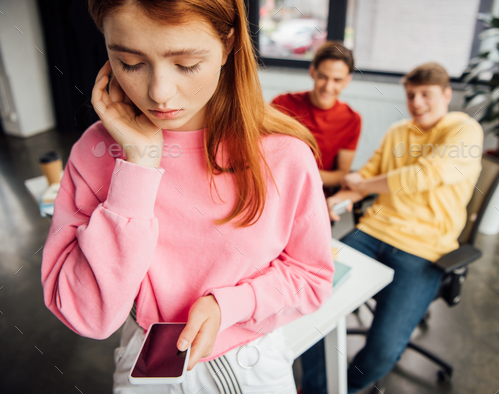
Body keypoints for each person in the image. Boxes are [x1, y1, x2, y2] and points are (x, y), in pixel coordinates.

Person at [40, 1, 335, 393]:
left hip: (245, 363)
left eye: (187, 64)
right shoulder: (92, 153)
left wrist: (230, 305)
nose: (160, 93)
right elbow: (88, 316)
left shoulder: (283, 155)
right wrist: (139, 167)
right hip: (144, 362)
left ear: (228, 44)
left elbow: (311, 278)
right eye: (130, 63)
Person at [300, 62, 483, 393]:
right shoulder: (398, 132)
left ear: (447, 94)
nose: (417, 103)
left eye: (426, 95)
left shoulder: (463, 129)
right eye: (411, 95)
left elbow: (425, 175)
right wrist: (335, 201)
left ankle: (348, 386)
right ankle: (318, 389)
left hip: (424, 250)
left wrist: (364, 182)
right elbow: (362, 181)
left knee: (383, 351)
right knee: (310, 301)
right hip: (371, 234)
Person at [271, 41, 361, 196]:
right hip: (277, 188)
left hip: (316, 195)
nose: (328, 87)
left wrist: (300, 173)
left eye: (337, 80)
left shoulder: (352, 120)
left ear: (347, 81)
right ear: (312, 72)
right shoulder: (282, 104)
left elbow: (341, 175)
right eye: (323, 77)